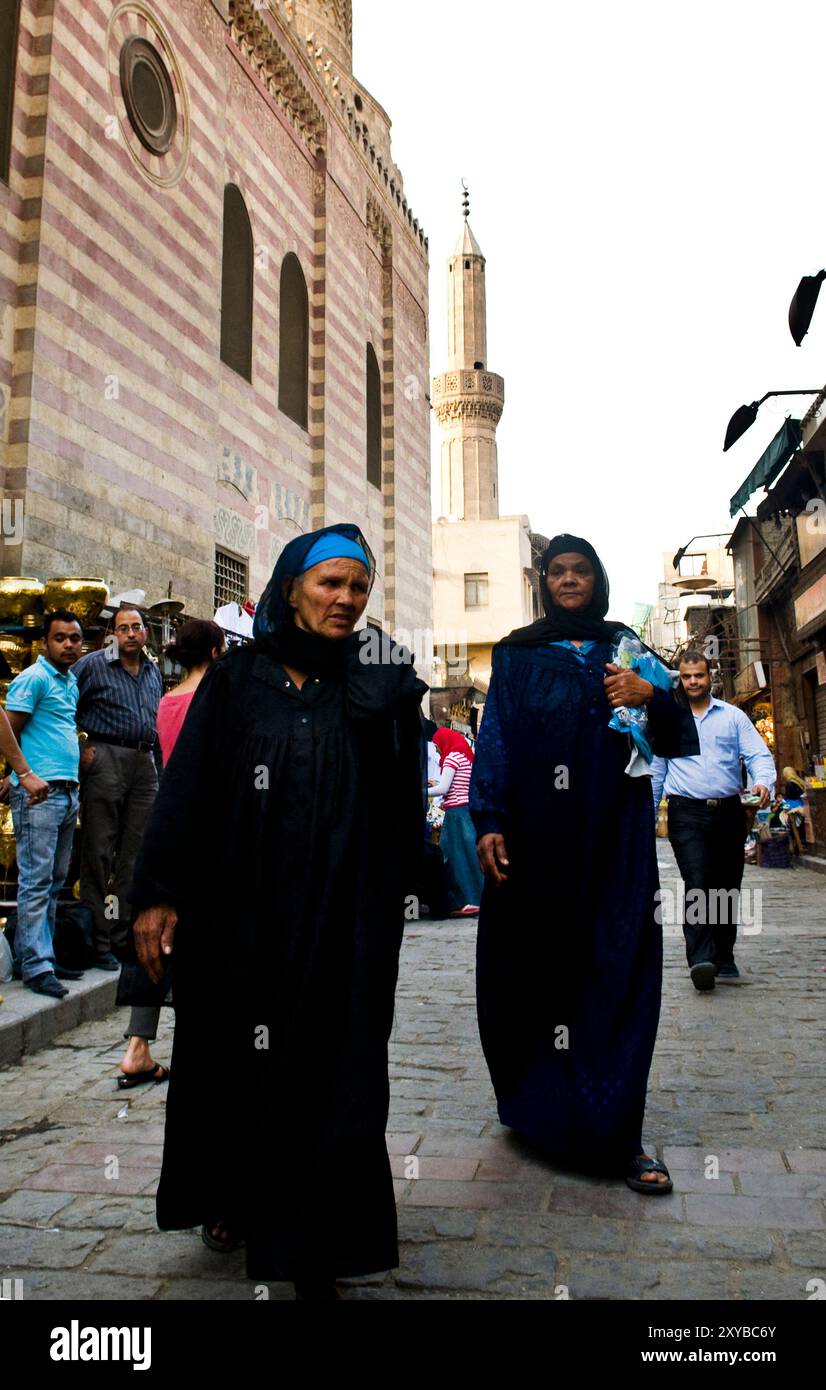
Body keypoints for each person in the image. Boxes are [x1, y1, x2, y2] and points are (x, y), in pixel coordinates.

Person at [130, 524, 427, 1299]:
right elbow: (188, 790)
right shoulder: (238, 681)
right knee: (236, 1058)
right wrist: (159, 894)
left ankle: (317, 1241)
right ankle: (234, 1194)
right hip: (242, 917)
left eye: (358, 587)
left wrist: (399, 894)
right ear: (290, 588)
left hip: (345, 915)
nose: (346, 599)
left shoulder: (383, 679)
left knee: (336, 1069)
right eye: (331, 583)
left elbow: (403, 802)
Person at [471, 535, 699, 1195]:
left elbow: (680, 733)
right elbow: (499, 738)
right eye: (558, 572)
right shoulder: (518, 653)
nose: (570, 581)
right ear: (544, 581)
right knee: (533, 974)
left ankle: (616, 1132)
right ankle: (541, 1110)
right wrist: (487, 819)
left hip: (614, 841)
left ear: (597, 580)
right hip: (535, 842)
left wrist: (649, 694)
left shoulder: (624, 645)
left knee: (616, 969)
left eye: (582, 571)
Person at [116, 619, 225, 1091]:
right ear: (218, 651)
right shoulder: (218, 700)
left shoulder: (166, 700)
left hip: (166, 821)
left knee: (156, 931)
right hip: (211, 825)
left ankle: (138, 1045)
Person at [650, 649, 775, 990]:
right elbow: (657, 772)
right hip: (685, 813)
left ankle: (724, 955)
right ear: (680, 678)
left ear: (710, 678)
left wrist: (763, 780)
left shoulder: (732, 717)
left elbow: (758, 754)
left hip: (728, 812)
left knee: (726, 884)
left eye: (699, 676)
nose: (693, 682)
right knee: (697, 880)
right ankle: (701, 958)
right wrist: (646, 816)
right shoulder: (670, 719)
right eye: (687, 676)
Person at [73, 607, 164, 970]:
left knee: (135, 853)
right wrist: (81, 749)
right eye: (123, 628)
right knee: (99, 850)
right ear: (113, 633)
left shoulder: (153, 670)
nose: (130, 633)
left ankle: (122, 934)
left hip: (143, 763)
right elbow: (64, 706)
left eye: (136, 627)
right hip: (106, 757)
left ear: (145, 632)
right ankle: (99, 939)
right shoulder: (93, 666)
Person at [1, 612, 83, 998]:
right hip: (39, 793)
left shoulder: (69, 682)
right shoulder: (33, 678)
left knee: (53, 881)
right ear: (46, 643)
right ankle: (37, 965)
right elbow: (5, 726)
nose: (69, 644)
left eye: (74, 638)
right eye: (60, 638)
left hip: (66, 793)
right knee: (36, 881)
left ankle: (40, 954)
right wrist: (21, 774)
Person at [428, 728, 484, 916]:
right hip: (466, 812)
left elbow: (443, 789)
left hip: (455, 816)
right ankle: (477, 898)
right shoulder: (465, 756)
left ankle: (460, 901)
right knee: (469, 856)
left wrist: (418, 790)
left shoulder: (451, 758)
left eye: (437, 746)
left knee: (450, 858)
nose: (436, 751)